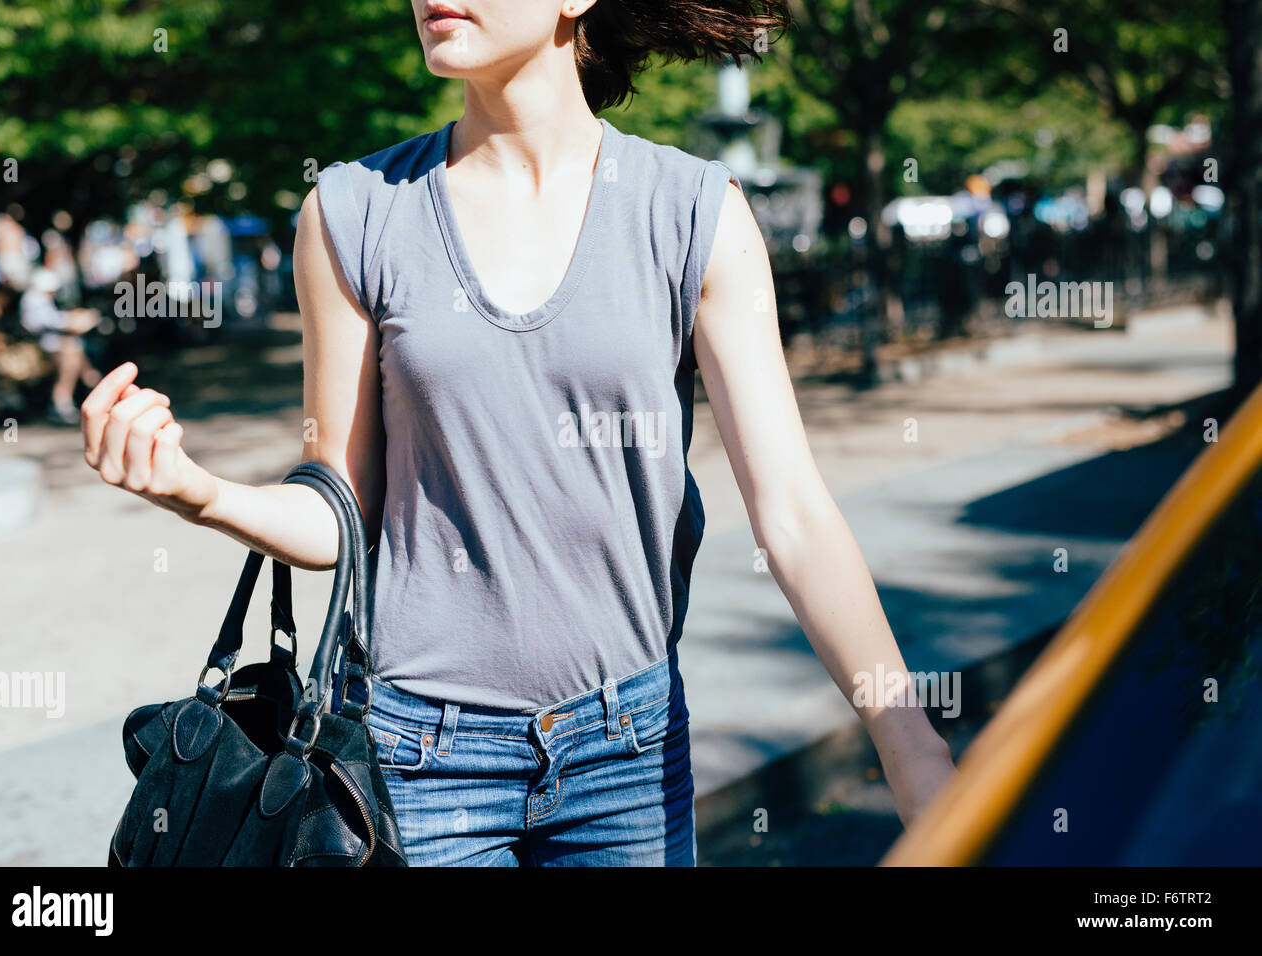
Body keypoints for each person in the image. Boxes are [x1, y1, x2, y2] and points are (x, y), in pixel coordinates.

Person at [81, 0, 954, 866]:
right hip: (416, 762)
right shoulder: (352, 212)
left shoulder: (695, 212)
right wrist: (194, 491)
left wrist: (909, 745)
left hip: (631, 755)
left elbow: (794, 513)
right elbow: (338, 509)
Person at [21, 267, 102, 424]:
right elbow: (46, 321)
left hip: (52, 341)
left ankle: (88, 383)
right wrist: (73, 320)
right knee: (72, 358)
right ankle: (65, 399)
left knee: (76, 350)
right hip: (46, 343)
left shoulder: (37, 297)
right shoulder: (35, 298)